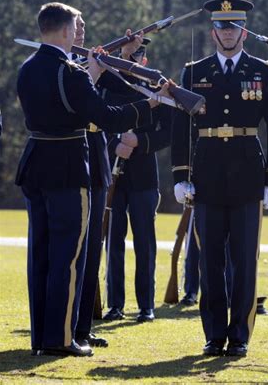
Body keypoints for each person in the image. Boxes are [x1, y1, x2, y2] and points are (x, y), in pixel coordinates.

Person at [15, 2, 165, 357]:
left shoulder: (27, 68)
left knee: (42, 255)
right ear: (66, 31)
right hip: (68, 166)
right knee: (69, 255)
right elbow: (108, 118)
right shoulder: (71, 72)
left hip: (36, 163)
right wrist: (151, 104)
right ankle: (62, 338)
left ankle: (43, 335)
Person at [171, 0, 268, 357]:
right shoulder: (194, 71)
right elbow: (180, 128)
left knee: (244, 260)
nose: (228, 33)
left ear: (244, 31)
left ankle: (239, 336)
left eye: (233, 26)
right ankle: (214, 334)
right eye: (222, 27)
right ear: (213, 32)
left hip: (248, 173)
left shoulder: (264, 71)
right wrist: (180, 176)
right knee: (210, 262)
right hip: (206, 173)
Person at [100, 37, 172, 323]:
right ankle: (115, 304)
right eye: (124, 57)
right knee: (113, 242)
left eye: (136, 58)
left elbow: (168, 132)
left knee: (145, 243)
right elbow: (95, 122)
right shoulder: (106, 87)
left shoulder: (155, 90)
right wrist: (114, 143)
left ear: (145, 62)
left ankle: (146, 305)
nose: (131, 63)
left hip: (143, 176)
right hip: (113, 175)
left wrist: (139, 141)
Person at [72, 14, 111, 349]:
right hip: (73, 160)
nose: (81, 30)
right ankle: (66, 326)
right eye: (76, 25)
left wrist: (123, 55)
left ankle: (83, 327)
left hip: (97, 162)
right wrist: (92, 74)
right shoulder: (65, 65)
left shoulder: (90, 61)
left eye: (84, 25)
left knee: (93, 249)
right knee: (74, 250)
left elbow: (120, 92)